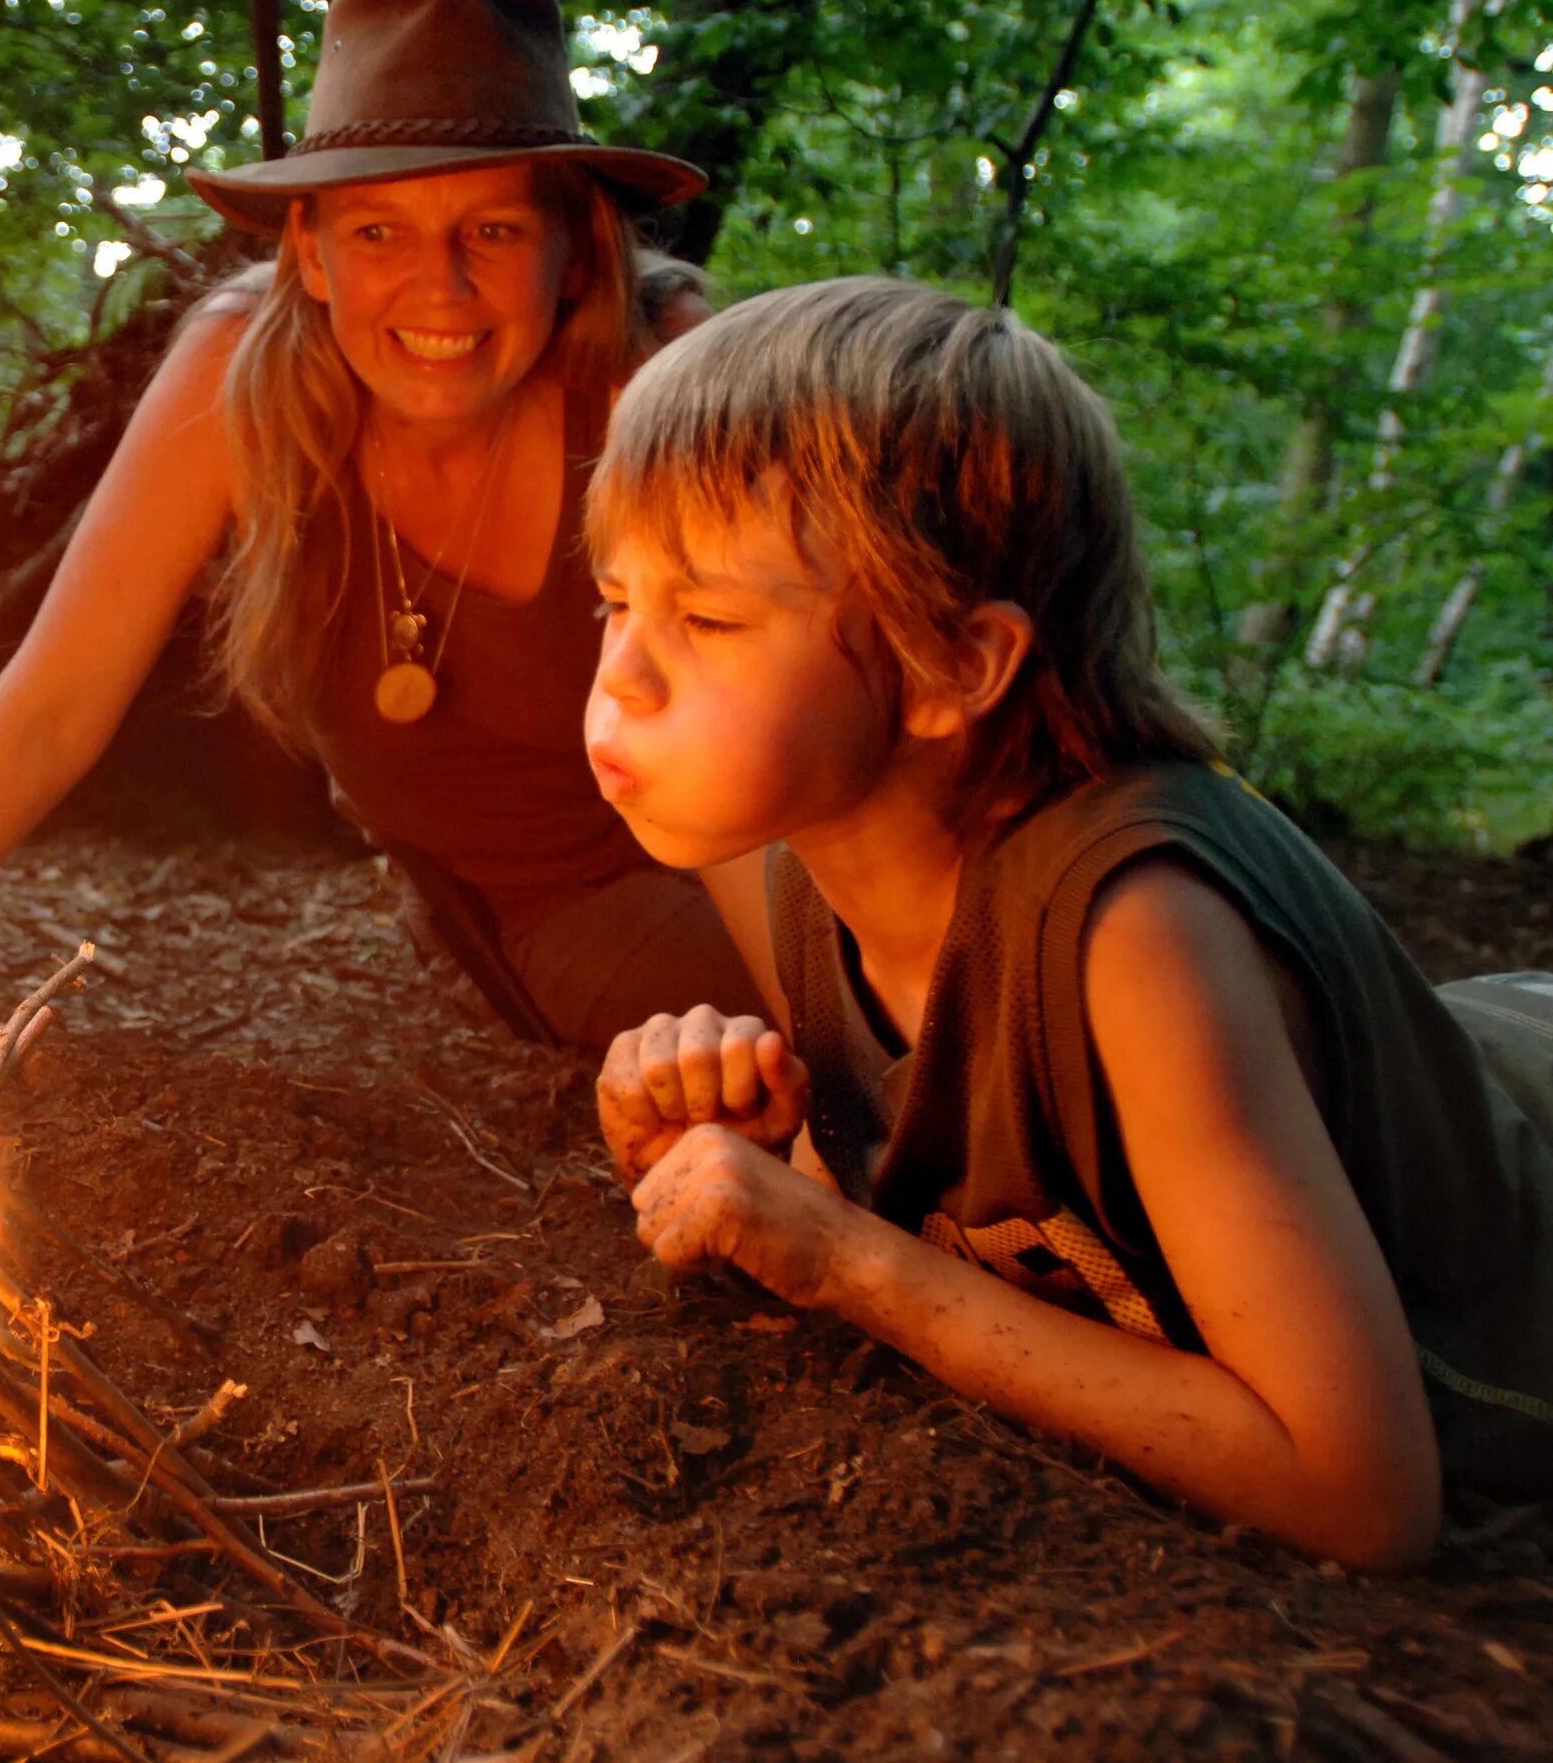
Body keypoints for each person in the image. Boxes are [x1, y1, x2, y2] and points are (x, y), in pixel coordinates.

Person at [580, 276, 1553, 1567]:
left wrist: (847, 1259)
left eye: (705, 617)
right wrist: (757, 1158)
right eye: (613, 598)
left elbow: (1364, 1496)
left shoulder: (1136, 931)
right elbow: (1014, 1212)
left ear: (956, 665)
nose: (623, 674)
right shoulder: (814, 858)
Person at [0, 0, 768, 1047]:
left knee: (924, 1018)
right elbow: (52, 708)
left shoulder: (660, 378)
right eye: (380, 234)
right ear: (309, 255)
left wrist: (843, 1036)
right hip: (568, 900)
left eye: (495, 233)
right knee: (802, 1038)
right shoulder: (241, 381)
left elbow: (769, 735)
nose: (440, 288)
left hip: (775, 833)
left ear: (573, 255)